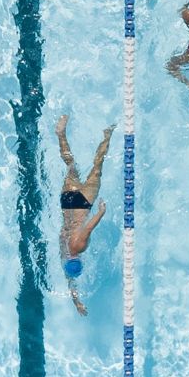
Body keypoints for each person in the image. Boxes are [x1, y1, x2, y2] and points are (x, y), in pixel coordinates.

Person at [57, 114, 114, 316]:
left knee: (97, 168)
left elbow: (88, 228)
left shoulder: (77, 246)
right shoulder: (63, 249)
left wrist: (101, 212)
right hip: (68, 201)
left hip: (84, 202)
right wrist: (76, 301)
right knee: (71, 165)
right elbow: (69, 280)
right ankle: (61, 134)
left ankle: (108, 135)